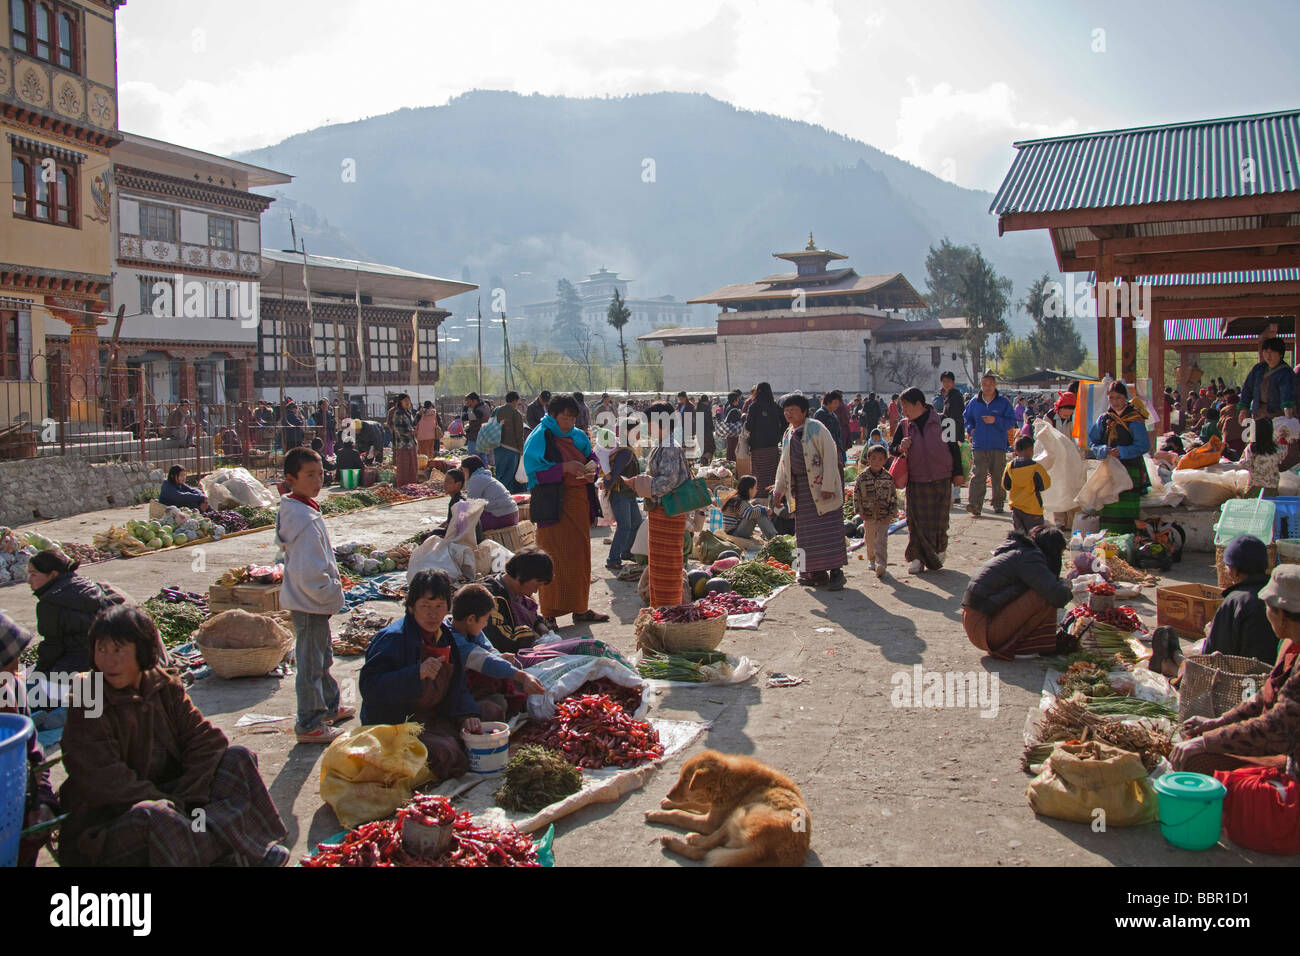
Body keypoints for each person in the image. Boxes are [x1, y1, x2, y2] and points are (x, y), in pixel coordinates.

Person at [57, 605, 289, 866]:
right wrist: (170, 804)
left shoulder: (163, 685)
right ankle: (229, 846)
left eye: (119, 650)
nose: (109, 661)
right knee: (155, 816)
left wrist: (189, 797)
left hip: (174, 795)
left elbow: (205, 740)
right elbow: (103, 777)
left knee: (237, 758)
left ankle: (234, 846)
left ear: (142, 652)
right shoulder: (89, 697)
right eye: (102, 650)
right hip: (111, 820)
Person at [1171, 563, 1300, 777]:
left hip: (1291, 762)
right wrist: (1219, 722)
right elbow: (1264, 695)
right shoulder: (1289, 644)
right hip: (1281, 745)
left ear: (1283, 616)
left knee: (1196, 759)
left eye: (1267, 607)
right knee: (1193, 745)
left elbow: (1274, 730)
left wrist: (1207, 742)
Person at [359, 570, 482, 781]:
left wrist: (467, 714)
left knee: (490, 712)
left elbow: (457, 685)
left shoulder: (445, 637)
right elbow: (370, 687)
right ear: (411, 606)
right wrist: (415, 674)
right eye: (425, 606)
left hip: (433, 715)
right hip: (398, 724)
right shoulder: (393, 639)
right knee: (448, 753)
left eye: (439, 606)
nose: (432, 614)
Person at [276, 448, 352, 744]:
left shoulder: (304, 508)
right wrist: (331, 591)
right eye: (310, 475)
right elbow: (310, 573)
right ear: (290, 479)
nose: (318, 480)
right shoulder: (302, 520)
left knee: (323, 656)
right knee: (310, 664)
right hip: (309, 602)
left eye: (320, 474)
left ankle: (330, 706)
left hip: (314, 600)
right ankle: (309, 723)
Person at [523, 393, 608, 625]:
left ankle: (580, 608)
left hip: (578, 502)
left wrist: (593, 467)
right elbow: (534, 472)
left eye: (573, 418)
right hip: (553, 505)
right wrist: (564, 468)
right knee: (552, 558)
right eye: (565, 418)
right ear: (552, 415)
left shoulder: (578, 436)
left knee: (580, 556)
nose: (569, 423)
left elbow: (591, 456)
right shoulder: (539, 436)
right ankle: (549, 613)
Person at [0, 612, 59, 866]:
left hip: (16, 802)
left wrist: (43, 799)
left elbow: (34, 752)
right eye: (10, 662)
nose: (17, 667)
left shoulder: (13, 686)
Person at [962, 525, 1071, 660]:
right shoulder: (1029, 557)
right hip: (984, 631)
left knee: (1046, 588)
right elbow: (1057, 595)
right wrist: (1068, 587)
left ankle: (1027, 644)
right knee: (1046, 595)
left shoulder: (1020, 552)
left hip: (978, 627)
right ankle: (1023, 647)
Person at [772, 393, 847, 590]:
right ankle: (815, 573)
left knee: (828, 531)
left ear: (804, 411)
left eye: (793, 410)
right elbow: (783, 464)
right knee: (805, 534)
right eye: (786, 410)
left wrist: (828, 486)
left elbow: (830, 456)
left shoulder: (817, 429)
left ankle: (837, 573)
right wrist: (778, 490)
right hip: (801, 492)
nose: (789, 414)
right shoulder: (787, 434)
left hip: (821, 488)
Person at [445, 583, 546, 720]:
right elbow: (485, 661)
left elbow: (489, 650)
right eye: (485, 620)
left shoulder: (469, 628)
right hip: (455, 695)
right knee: (496, 705)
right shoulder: (453, 640)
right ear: (470, 619)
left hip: (472, 687)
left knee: (506, 681)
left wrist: (500, 656)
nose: (486, 624)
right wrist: (522, 676)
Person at [628, 402, 695, 608]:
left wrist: (640, 484)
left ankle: (670, 605)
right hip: (662, 511)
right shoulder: (662, 445)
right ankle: (662, 605)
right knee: (659, 561)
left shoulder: (669, 447)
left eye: (649, 422)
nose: (646, 427)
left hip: (668, 512)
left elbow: (668, 481)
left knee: (668, 563)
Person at [891, 386, 963, 574]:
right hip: (916, 479)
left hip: (941, 477)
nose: (903, 411)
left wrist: (958, 473)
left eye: (906, 406)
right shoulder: (904, 425)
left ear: (918, 404)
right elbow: (892, 448)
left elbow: (954, 447)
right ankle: (916, 557)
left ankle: (939, 549)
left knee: (939, 520)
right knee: (915, 521)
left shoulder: (944, 421)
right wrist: (900, 447)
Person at [28, 549, 130, 675]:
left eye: (33, 574)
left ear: (53, 575)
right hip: (106, 661)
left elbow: (52, 647)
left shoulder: (49, 604)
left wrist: (39, 672)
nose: (29, 580)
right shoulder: (89, 585)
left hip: (73, 669)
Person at [1202, 534, 1280, 665]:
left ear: (1235, 570)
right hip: (1276, 671)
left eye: (1227, 566)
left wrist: (1210, 634)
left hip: (1243, 678)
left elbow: (1215, 655)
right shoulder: (1278, 594)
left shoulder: (1235, 601)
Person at [1087, 381, 1151, 533]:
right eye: (1112, 398)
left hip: (1130, 470)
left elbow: (1143, 446)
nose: (1115, 402)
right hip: (1109, 471)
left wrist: (1122, 451)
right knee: (1109, 505)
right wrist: (1103, 450)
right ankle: (1110, 543)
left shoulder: (1135, 420)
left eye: (1119, 398)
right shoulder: (1104, 420)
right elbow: (1093, 442)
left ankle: (1129, 540)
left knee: (1127, 509)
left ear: (1126, 397)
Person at [481, 547, 560, 654]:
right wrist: (530, 635)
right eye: (537, 584)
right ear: (521, 576)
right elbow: (500, 639)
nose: (536, 591)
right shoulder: (490, 598)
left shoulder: (519, 596)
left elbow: (533, 616)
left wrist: (539, 625)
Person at [963, 371, 1017, 518]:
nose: (987, 387)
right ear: (980, 385)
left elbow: (1011, 420)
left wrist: (996, 420)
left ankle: (998, 503)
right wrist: (970, 429)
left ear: (995, 385)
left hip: (998, 445)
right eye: (984, 384)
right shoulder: (974, 402)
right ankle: (975, 504)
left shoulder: (1003, 402)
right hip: (979, 445)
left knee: (998, 476)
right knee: (978, 475)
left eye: (990, 384)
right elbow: (967, 418)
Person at [604, 419, 644, 572]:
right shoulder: (625, 451)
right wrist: (606, 487)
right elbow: (615, 474)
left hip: (629, 494)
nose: (640, 434)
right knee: (625, 526)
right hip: (620, 494)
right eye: (637, 431)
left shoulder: (628, 449)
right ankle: (613, 559)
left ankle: (627, 552)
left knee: (636, 523)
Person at [853, 443, 897, 579]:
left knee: (882, 540)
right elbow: (856, 496)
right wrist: (860, 512)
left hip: (883, 516)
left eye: (880, 459)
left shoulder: (888, 478)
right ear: (868, 460)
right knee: (870, 539)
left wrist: (891, 514)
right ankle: (872, 559)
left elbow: (893, 497)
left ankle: (881, 564)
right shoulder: (862, 478)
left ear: (885, 461)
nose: (876, 462)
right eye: (873, 458)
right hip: (869, 515)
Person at [1238, 337, 1295, 424]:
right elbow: (1247, 389)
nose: (1268, 355)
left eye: (1272, 352)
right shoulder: (1258, 369)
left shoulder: (1286, 372)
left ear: (1280, 354)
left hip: (1278, 415)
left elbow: (1287, 393)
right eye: (1266, 352)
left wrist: (1288, 414)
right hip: (1258, 413)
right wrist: (1243, 409)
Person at [1002, 434, 1051, 535]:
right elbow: (1045, 485)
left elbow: (1005, 485)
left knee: (1021, 538)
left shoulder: (1010, 466)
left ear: (1015, 451)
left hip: (1016, 508)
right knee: (1036, 537)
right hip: (1033, 509)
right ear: (1031, 450)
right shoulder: (1036, 468)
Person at [743, 382, 785, 493]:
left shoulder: (754, 406)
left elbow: (749, 426)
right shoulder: (775, 406)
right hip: (772, 446)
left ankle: (759, 494)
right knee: (772, 472)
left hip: (758, 446)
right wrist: (778, 434)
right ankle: (771, 495)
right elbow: (785, 422)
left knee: (759, 472)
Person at [461, 455, 520, 531]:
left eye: (464, 471)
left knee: (467, 520)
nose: (463, 474)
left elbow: (470, 505)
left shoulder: (475, 479)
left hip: (503, 517)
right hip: (513, 515)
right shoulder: (484, 476)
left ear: (469, 469)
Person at [720, 475, 778, 541]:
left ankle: (772, 536)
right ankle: (773, 538)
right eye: (755, 488)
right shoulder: (738, 501)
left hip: (736, 530)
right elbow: (749, 514)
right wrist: (764, 510)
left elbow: (751, 510)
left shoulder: (738, 499)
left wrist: (762, 508)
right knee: (758, 513)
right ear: (749, 489)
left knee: (758, 511)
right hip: (734, 533)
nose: (756, 490)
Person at [937, 372, 966, 504]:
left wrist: (940, 417)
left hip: (953, 432)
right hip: (949, 431)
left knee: (954, 461)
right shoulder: (948, 396)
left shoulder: (955, 396)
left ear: (953, 382)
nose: (946, 384)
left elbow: (953, 416)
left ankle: (955, 493)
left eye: (948, 381)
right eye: (944, 381)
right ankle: (953, 493)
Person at [1241, 416, 1284, 498]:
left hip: (1255, 486)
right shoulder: (1277, 448)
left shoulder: (1252, 448)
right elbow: (1282, 458)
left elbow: (1245, 464)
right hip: (1272, 487)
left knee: (1253, 509)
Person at [494, 391, 527, 492]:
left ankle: (498, 492)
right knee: (510, 474)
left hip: (497, 446)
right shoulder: (515, 413)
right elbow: (519, 433)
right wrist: (521, 448)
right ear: (515, 401)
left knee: (500, 472)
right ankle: (507, 494)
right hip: (511, 449)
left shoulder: (496, 410)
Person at [388, 393, 418, 487]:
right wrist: (410, 432)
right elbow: (397, 428)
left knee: (412, 466)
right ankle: (402, 486)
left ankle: (412, 485)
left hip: (411, 443)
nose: (407, 402)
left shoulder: (408, 412)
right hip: (402, 444)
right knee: (403, 467)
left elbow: (411, 425)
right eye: (405, 401)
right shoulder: (398, 413)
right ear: (400, 402)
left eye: (408, 400)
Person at [813, 392, 845, 466]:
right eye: (835, 403)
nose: (837, 405)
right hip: (825, 451)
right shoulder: (821, 414)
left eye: (838, 403)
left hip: (835, 449)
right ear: (828, 402)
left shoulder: (833, 414)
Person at [722, 390, 745, 462]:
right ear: (735, 400)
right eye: (738, 399)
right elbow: (737, 421)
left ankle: (730, 464)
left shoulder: (728, 407)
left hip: (729, 433)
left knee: (730, 449)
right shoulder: (734, 410)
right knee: (733, 450)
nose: (739, 400)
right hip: (734, 434)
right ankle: (733, 466)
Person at [697, 393, 716, 463]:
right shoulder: (706, 408)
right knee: (711, 448)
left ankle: (703, 462)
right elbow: (709, 420)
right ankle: (706, 462)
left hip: (699, 432)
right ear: (706, 401)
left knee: (704, 449)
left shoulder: (698, 408)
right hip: (707, 432)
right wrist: (713, 428)